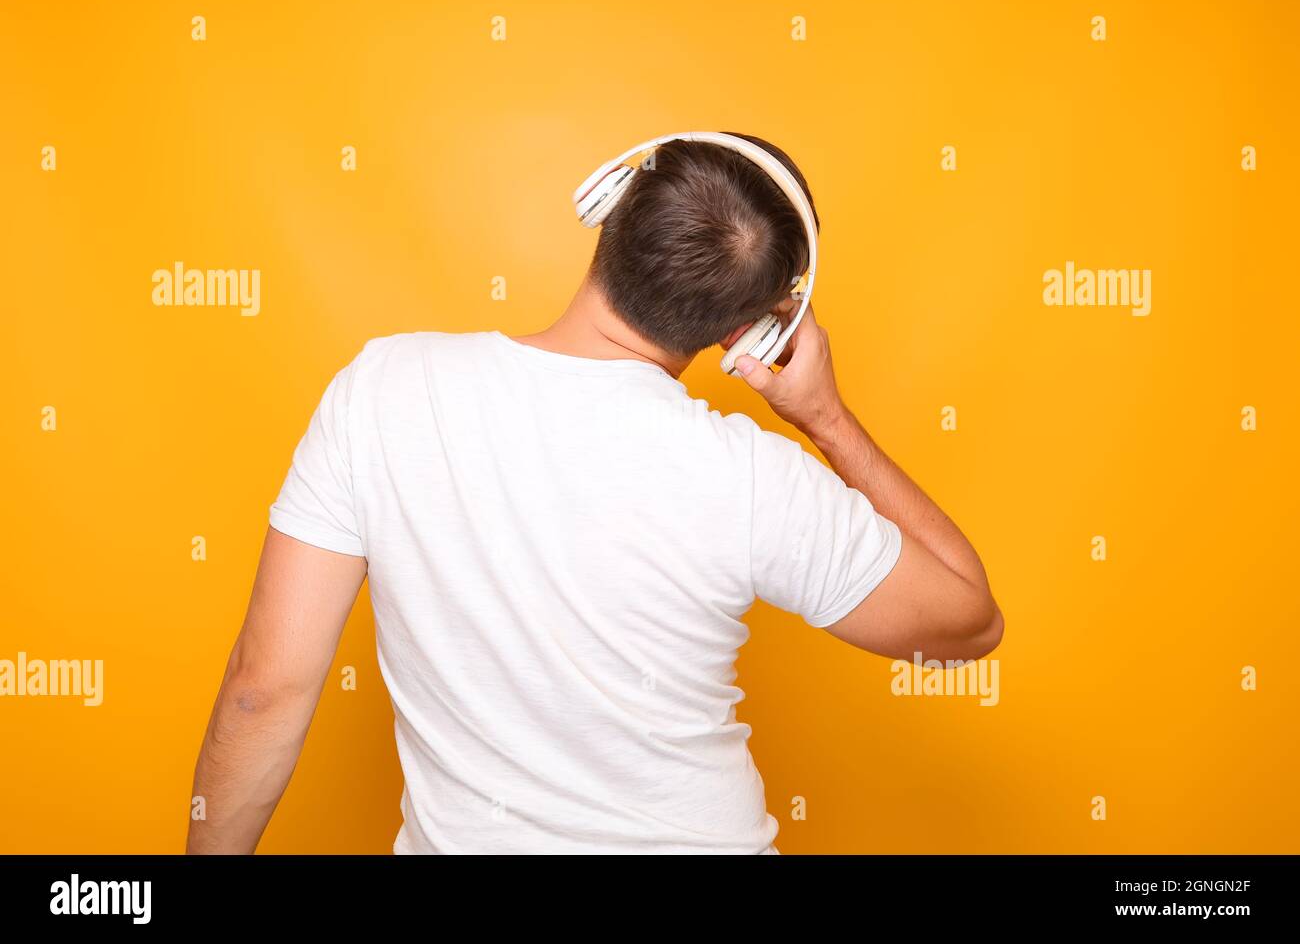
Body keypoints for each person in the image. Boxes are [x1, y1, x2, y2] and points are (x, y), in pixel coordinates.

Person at [186, 133, 1003, 855]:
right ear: (752, 328)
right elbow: (970, 621)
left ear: (609, 204)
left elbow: (265, 689)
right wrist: (825, 417)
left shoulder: (383, 389)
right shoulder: (754, 476)